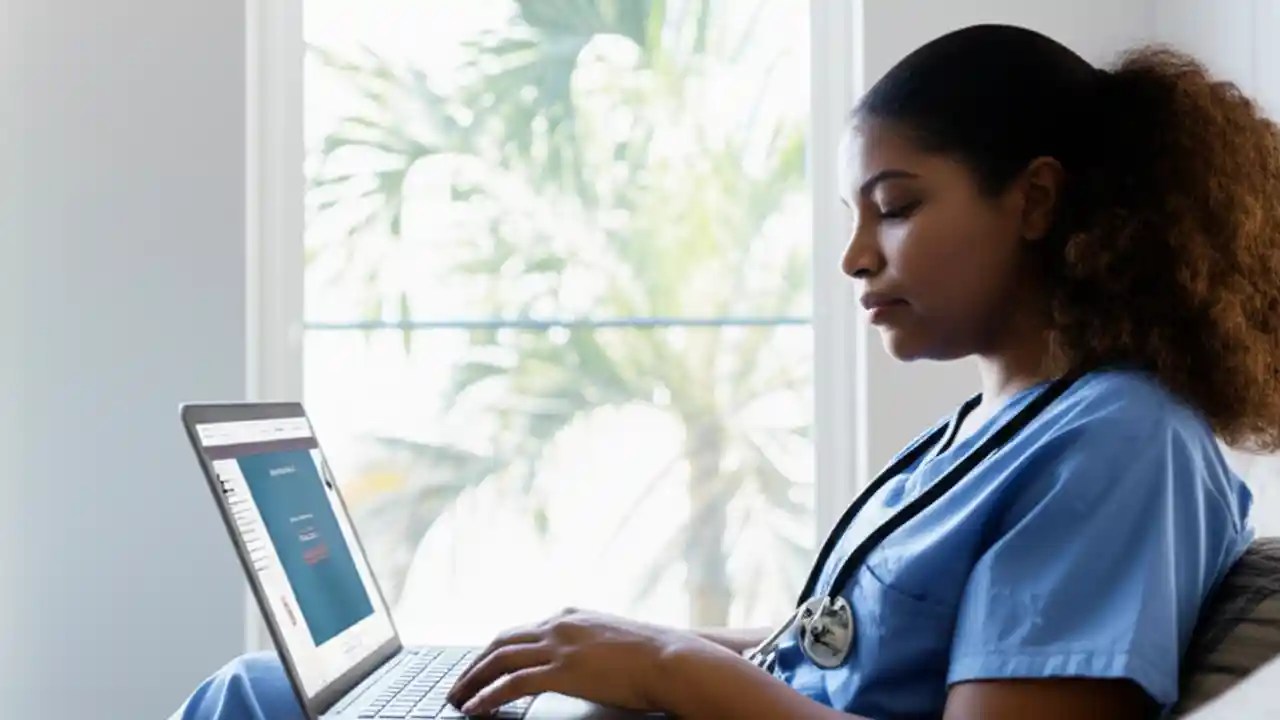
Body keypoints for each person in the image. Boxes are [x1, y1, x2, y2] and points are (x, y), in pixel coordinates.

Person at [174, 24, 1280, 720]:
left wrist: (663, 669)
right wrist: (604, 642)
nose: (855, 256)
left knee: (252, 702)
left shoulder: (1120, 443)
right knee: (277, 691)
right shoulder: (981, 430)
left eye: (893, 209)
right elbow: (831, 653)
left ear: (1033, 202)